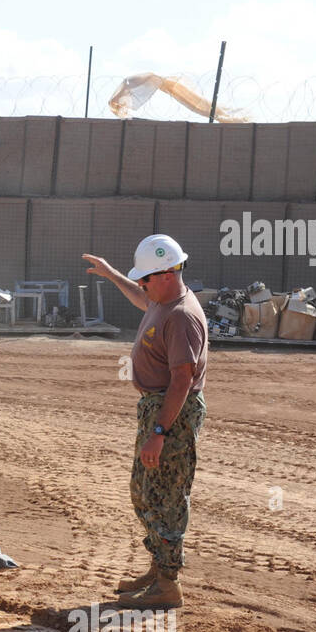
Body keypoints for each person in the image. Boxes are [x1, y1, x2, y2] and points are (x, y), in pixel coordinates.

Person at [81, 234, 208, 609]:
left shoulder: (182, 316)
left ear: (167, 274)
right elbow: (141, 299)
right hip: (158, 409)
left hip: (172, 414)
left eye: (146, 278)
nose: (141, 285)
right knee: (144, 492)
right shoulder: (162, 300)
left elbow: (182, 380)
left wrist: (159, 432)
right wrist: (111, 274)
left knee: (166, 496)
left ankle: (168, 584)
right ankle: (158, 570)